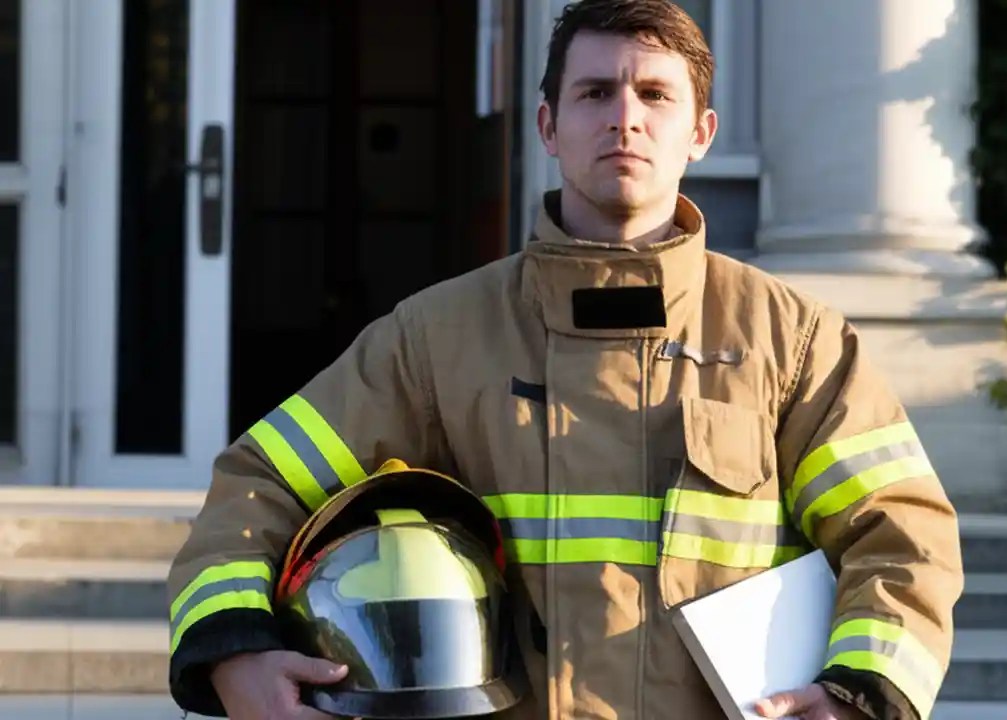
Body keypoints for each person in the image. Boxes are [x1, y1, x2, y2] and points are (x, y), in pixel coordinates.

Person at [165, 1, 964, 718]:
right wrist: (236, 655)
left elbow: (903, 536)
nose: (625, 118)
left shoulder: (793, 344)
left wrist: (860, 694)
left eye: (655, 94)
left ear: (701, 132)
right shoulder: (437, 338)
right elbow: (258, 486)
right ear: (547, 126)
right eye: (595, 93)